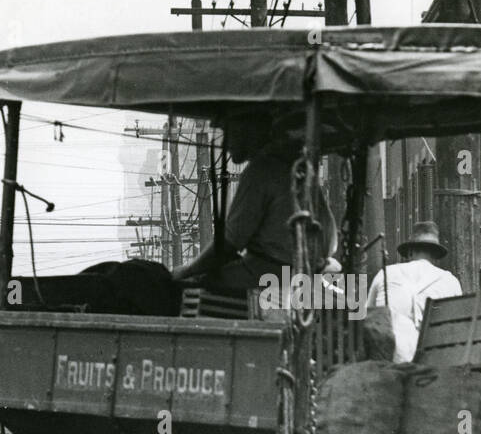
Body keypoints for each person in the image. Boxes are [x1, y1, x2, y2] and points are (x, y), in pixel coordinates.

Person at [172, 121, 336, 294]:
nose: (224, 143)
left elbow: (229, 243)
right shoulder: (295, 167)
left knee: (194, 284)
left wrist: (187, 270)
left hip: (275, 273)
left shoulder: (262, 169)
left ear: (250, 133)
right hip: (307, 269)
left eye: (231, 133)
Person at [367, 221, 463, 363]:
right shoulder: (450, 281)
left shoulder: (386, 273)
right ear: (435, 255)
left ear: (410, 252)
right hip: (432, 362)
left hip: (389, 359)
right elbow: (458, 330)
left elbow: (367, 315)